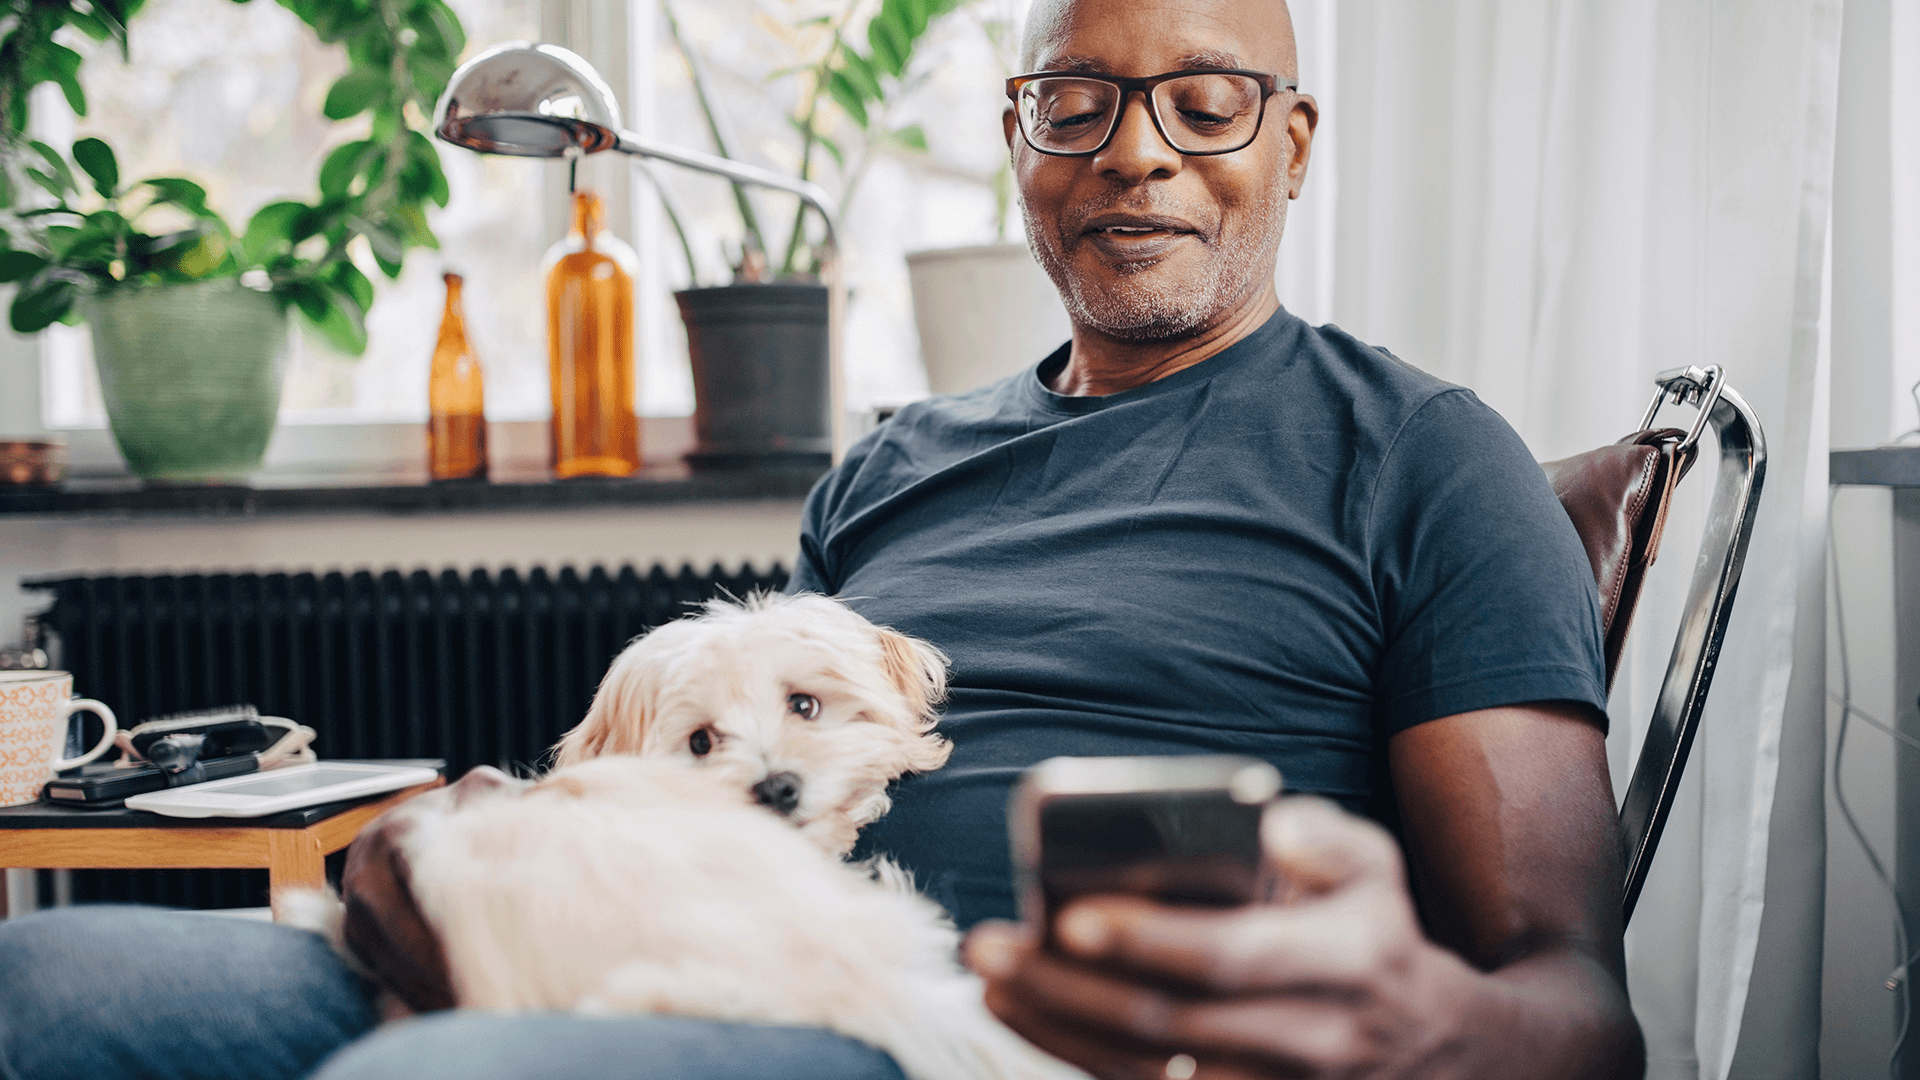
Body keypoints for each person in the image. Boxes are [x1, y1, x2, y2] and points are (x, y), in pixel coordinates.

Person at [0, 0, 1640, 1077]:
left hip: (958, 1032)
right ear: (1018, 144)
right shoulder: (891, 468)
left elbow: (1578, 1010)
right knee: (47, 994)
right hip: (690, 960)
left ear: (1291, 144)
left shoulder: (1427, 458)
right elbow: (735, 768)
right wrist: (501, 835)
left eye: (1206, 102)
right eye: (1077, 100)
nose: (1136, 147)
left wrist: (1416, 1024)